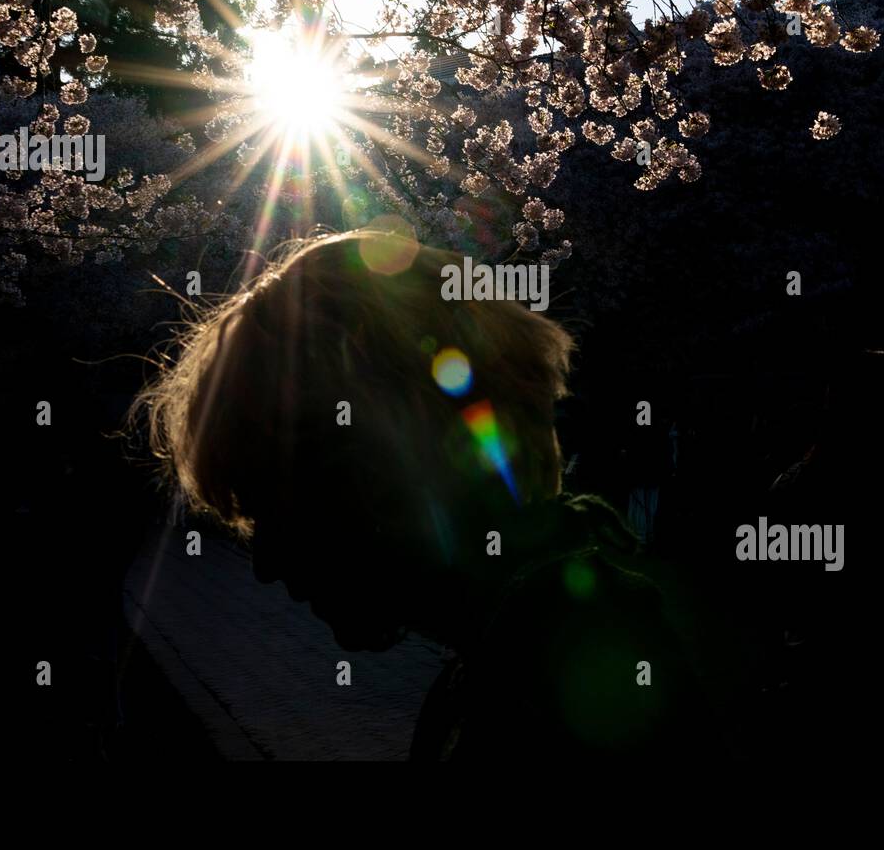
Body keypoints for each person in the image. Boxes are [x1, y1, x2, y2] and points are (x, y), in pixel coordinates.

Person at [138, 228, 714, 759]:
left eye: (277, 503)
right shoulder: (521, 652)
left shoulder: (561, 687)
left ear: (380, 468)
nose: (264, 564)